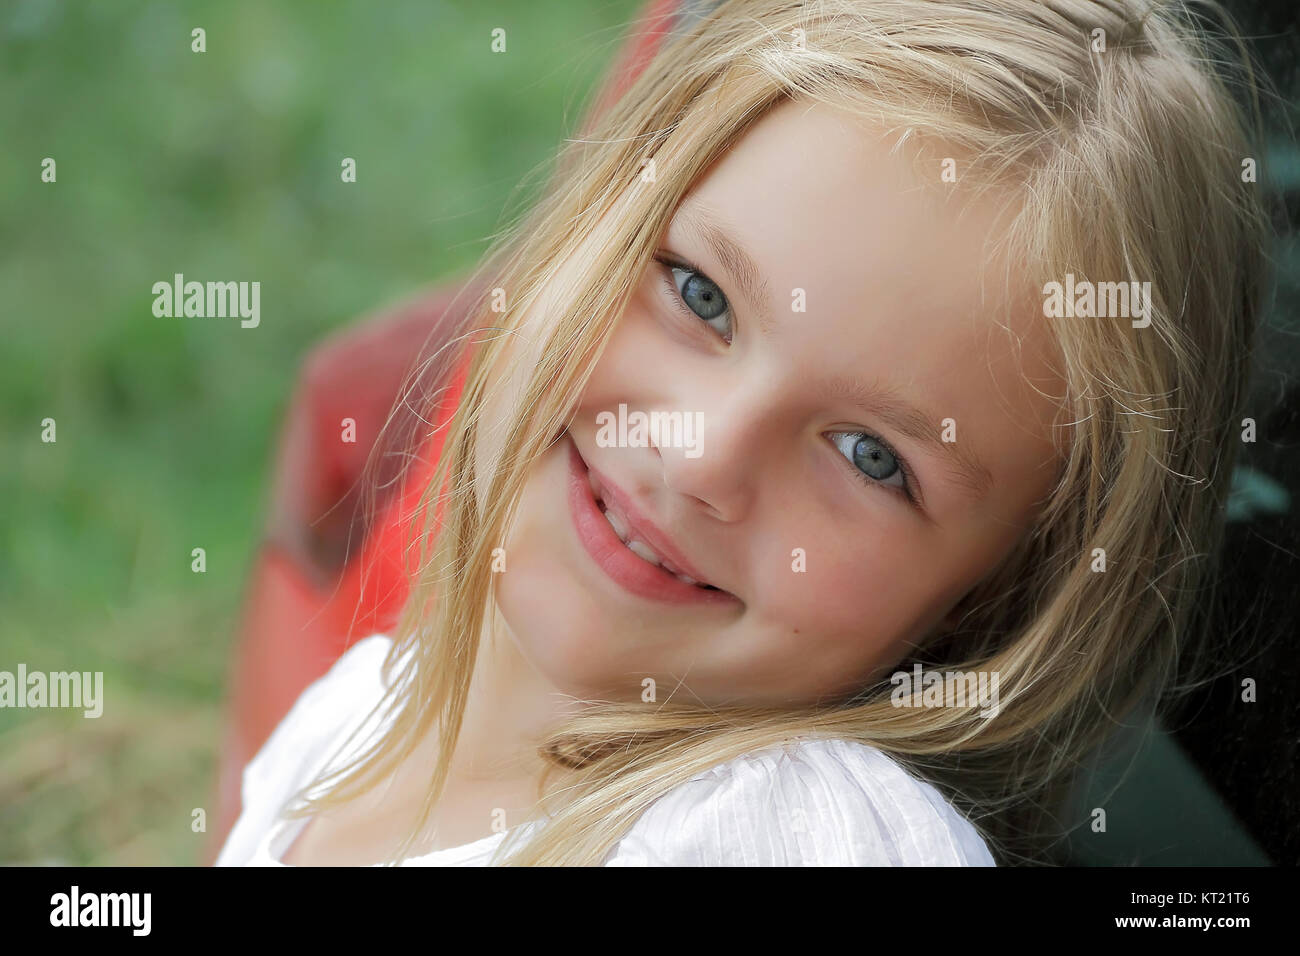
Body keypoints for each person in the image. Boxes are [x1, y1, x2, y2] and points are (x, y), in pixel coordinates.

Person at [215, 0, 1271, 866]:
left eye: (871, 457)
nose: (701, 454)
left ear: (995, 600)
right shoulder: (359, 709)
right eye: (700, 295)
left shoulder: (795, 834)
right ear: (589, 213)